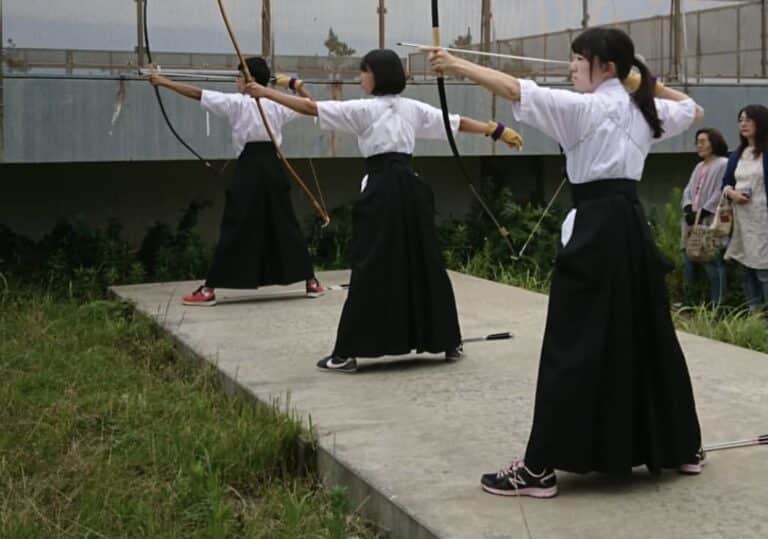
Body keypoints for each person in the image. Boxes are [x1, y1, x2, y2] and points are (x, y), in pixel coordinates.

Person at [430, 27, 705, 498]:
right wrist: (647, 83)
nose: (572, 68)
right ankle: (681, 446)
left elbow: (515, 88)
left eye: (580, 60)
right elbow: (693, 109)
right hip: (630, 228)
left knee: (572, 341)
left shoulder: (585, 109)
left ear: (607, 67)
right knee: (647, 332)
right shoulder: (645, 110)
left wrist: (455, 65)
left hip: (597, 228)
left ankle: (538, 469)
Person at [246, 48, 523, 372]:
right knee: (425, 260)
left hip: (383, 188)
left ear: (376, 75)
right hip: (411, 188)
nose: (360, 77)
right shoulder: (409, 108)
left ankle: (347, 354)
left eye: (363, 71)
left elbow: (310, 107)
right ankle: (448, 341)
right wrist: (495, 130)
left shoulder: (366, 109)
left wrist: (263, 91)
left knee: (371, 264)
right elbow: (457, 124)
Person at [147, 57, 324, 305]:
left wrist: (162, 82)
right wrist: (295, 85)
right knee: (283, 220)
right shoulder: (272, 102)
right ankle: (311, 282)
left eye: (239, 77)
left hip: (252, 167)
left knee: (238, 222)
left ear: (249, 80)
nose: (236, 81)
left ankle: (209, 289)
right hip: (271, 166)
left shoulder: (239, 103)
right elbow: (309, 103)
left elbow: (197, 94)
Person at [722, 104, 768, 312]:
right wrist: (731, 193)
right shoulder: (737, 154)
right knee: (746, 268)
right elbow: (726, 183)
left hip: (763, 219)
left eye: (748, 120)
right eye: (740, 120)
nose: (743, 124)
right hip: (742, 220)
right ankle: (754, 314)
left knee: (763, 269)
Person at [681, 128, 729, 307]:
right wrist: (688, 208)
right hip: (691, 222)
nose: (698, 145)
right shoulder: (699, 166)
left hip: (709, 221)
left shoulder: (723, 163)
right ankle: (690, 305)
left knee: (712, 262)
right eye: (697, 141)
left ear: (714, 143)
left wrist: (704, 211)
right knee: (689, 261)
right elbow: (688, 190)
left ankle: (719, 306)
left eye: (703, 141)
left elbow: (720, 190)